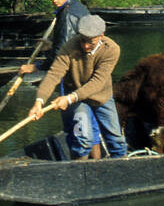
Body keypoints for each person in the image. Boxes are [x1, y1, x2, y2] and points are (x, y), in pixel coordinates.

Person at [19, 0, 103, 158]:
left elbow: (61, 56)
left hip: (72, 76)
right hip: (87, 73)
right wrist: (51, 45)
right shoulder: (77, 8)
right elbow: (71, 42)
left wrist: (36, 67)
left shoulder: (67, 15)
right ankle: (97, 162)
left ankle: (79, 168)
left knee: (77, 125)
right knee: (90, 122)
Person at [30, 14, 128, 160]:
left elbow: (97, 81)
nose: (85, 46)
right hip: (76, 96)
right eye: (82, 40)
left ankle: (121, 167)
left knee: (116, 139)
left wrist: (69, 99)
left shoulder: (112, 49)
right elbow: (54, 75)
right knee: (83, 140)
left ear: (101, 36)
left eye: (91, 42)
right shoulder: (69, 47)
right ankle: (77, 170)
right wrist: (39, 101)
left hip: (101, 96)